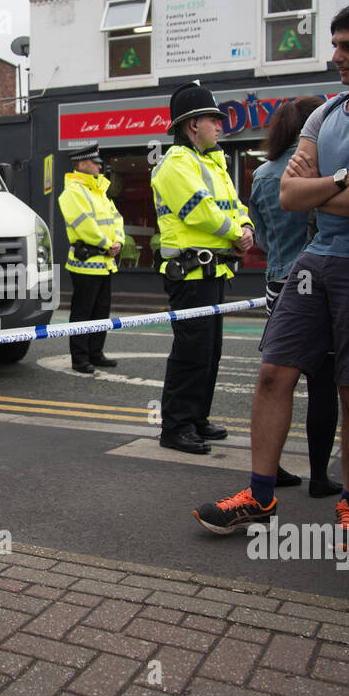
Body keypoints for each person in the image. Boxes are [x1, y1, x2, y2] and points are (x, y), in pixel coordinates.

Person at [194, 2, 349, 546]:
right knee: (272, 374)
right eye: (334, 45)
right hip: (315, 261)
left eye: (348, 47)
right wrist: (342, 178)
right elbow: (289, 196)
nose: (337, 57)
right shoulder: (324, 113)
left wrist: (326, 188)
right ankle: (259, 495)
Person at [152, 82, 254, 454]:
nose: (220, 126)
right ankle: (175, 427)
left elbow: (234, 205)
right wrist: (235, 234)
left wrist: (247, 228)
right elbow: (199, 210)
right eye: (214, 120)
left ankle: (196, 419)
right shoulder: (176, 164)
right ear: (193, 125)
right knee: (190, 354)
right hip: (191, 274)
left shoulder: (213, 162)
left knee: (210, 352)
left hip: (213, 273)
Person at [246, 96, 341, 495]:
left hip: (278, 283)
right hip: (321, 281)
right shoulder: (322, 170)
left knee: (277, 380)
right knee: (324, 384)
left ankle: (273, 468)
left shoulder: (264, 175)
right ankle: (320, 476)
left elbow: (264, 239)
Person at [59, 144, 125, 373]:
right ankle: (80, 359)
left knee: (100, 312)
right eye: (95, 161)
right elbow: (84, 224)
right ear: (82, 164)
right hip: (86, 263)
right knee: (82, 313)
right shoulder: (73, 191)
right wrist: (108, 245)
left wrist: (118, 241)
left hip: (105, 262)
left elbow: (117, 218)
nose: (100, 165)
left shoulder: (99, 191)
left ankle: (95, 353)